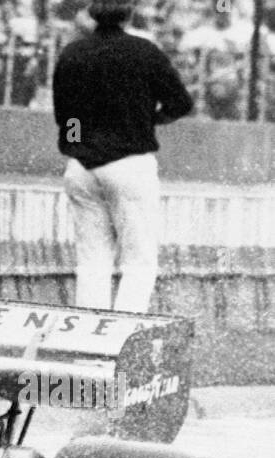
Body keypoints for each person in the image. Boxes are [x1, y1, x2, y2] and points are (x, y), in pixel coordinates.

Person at [52, 0, 193, 313]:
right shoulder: (145, 52)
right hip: (130, 163)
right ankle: (123, 338)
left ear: (91, 14)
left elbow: (68, 117)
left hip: (81, 167)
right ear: (129, 15)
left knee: (91, 262)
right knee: (139, 261)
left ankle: (89, 339)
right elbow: (181, 103)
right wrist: (149, 120)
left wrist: (77, 143)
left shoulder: (72, 53)